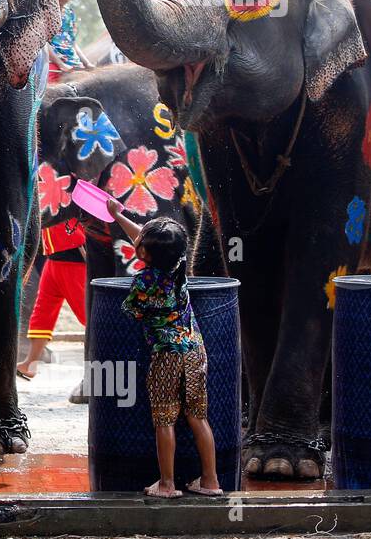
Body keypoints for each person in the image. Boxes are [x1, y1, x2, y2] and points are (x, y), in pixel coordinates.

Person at [109, 198, 222, 499]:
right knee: (198, 417)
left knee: (164, 419)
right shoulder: (179, 267)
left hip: (166, 355)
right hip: (195, 350)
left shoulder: (144, 280)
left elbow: (131, 311)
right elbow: (147, 242)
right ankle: (210, 481)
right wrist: (118, 215)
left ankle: (167, 484)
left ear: (144, 253)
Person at [17, 218, 87, 380]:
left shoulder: (67, 191)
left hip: (73, 258)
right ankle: (30, 363)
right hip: (53, 257)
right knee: (42, 313)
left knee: (87, 314)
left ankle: (100, 366)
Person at [46, 0, 90, 83]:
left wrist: (86, 63)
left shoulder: (70, 14)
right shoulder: (44, 11)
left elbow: (72, 42)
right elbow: (43, 44)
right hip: (51, 62)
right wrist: (61, 65)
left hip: (72, 63)